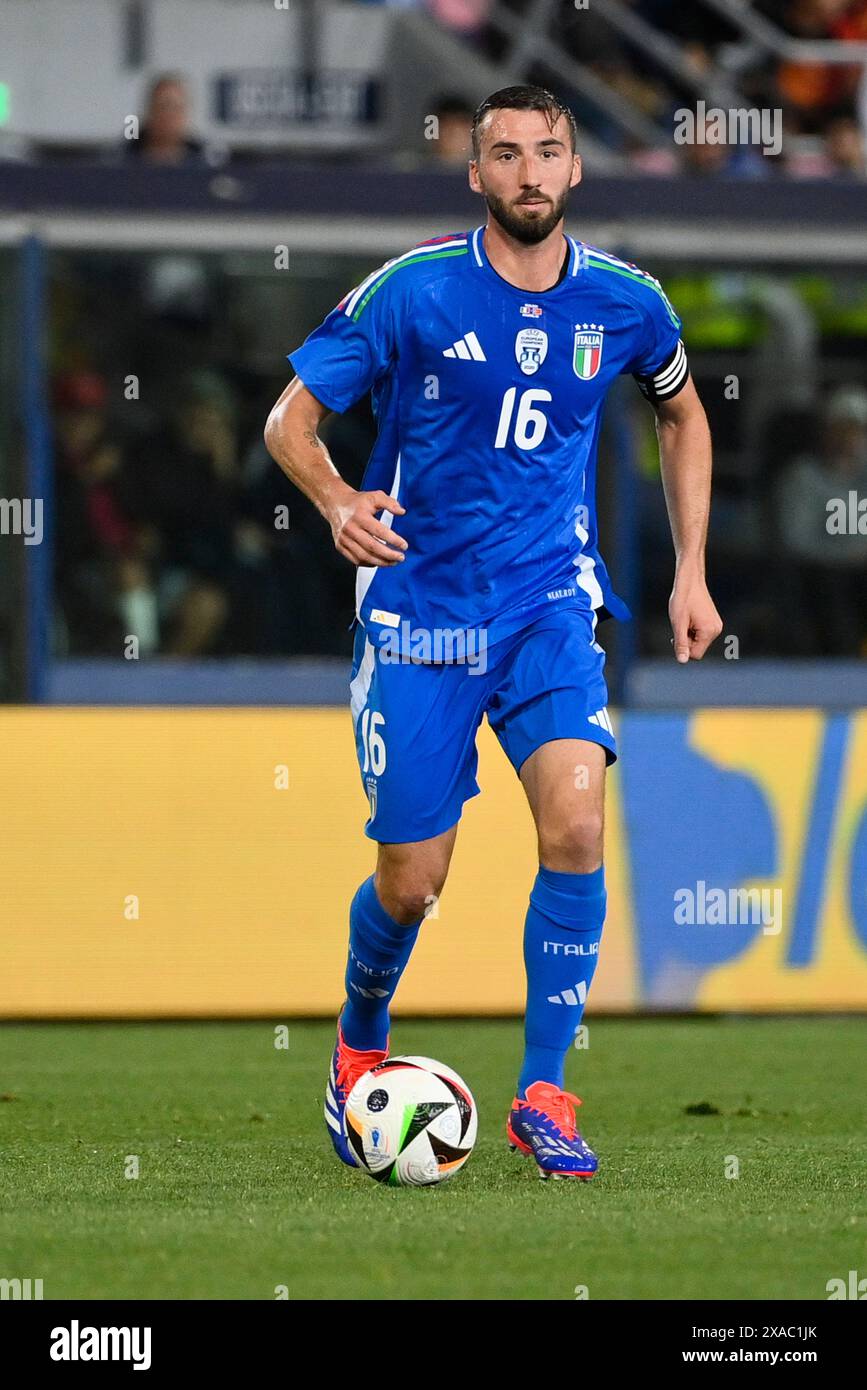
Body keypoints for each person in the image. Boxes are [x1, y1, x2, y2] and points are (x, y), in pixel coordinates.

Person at [264, 84, 722, 1180]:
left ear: (574, 171)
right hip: (422, 616)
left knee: (576, 817)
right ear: (476, 175)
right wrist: (336, 502)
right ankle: (357, 1050)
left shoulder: (626, 303)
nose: (528, 172)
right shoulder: (413, 292)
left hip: (548, 607)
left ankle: (546, 1092)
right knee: (413, 882)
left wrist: (692, 568)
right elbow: (290, 419)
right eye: (505, 154)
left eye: (547, 152)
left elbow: (683, 410)